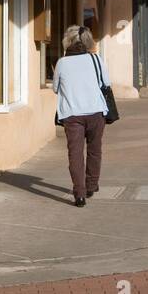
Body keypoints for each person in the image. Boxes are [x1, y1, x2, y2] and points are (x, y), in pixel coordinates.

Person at [53, 24, 110, 207]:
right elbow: (105, 83)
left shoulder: (62, 62)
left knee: (75, 153)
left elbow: (55, 88)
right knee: (95, 150)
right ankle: (91, 185)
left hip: (72, 114)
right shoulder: (96, 59)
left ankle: (79, 194)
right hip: (96, 111)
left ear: (67, 41)